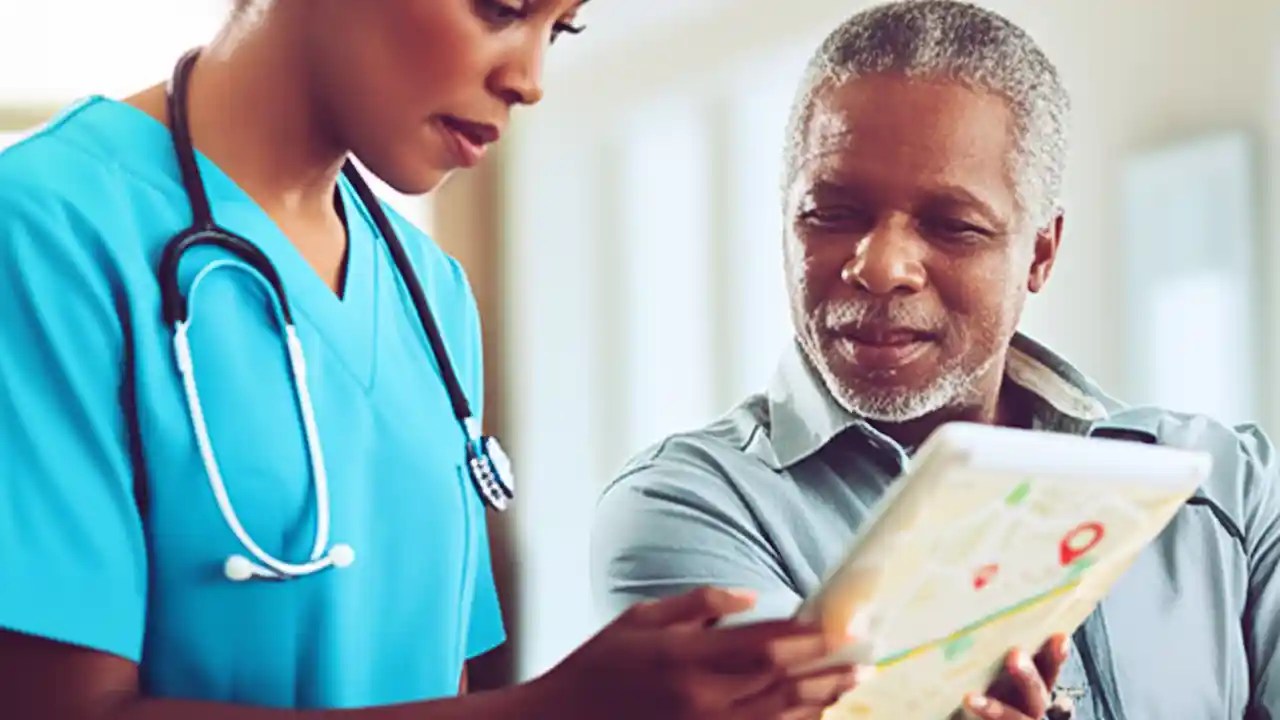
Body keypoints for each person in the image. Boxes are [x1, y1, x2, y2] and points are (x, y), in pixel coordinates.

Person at [0, 1, 868, 719]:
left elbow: (439, 689)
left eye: (558, 31)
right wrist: (547, 713)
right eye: (501, 8)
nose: (529, 79)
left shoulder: (432, 296)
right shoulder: (47, 230)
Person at [590, 1, 1280, 719]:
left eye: (952, 225)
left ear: (1040, 252)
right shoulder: (691, 509)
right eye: (832, 214)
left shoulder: (1233, 493)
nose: (882, 266)